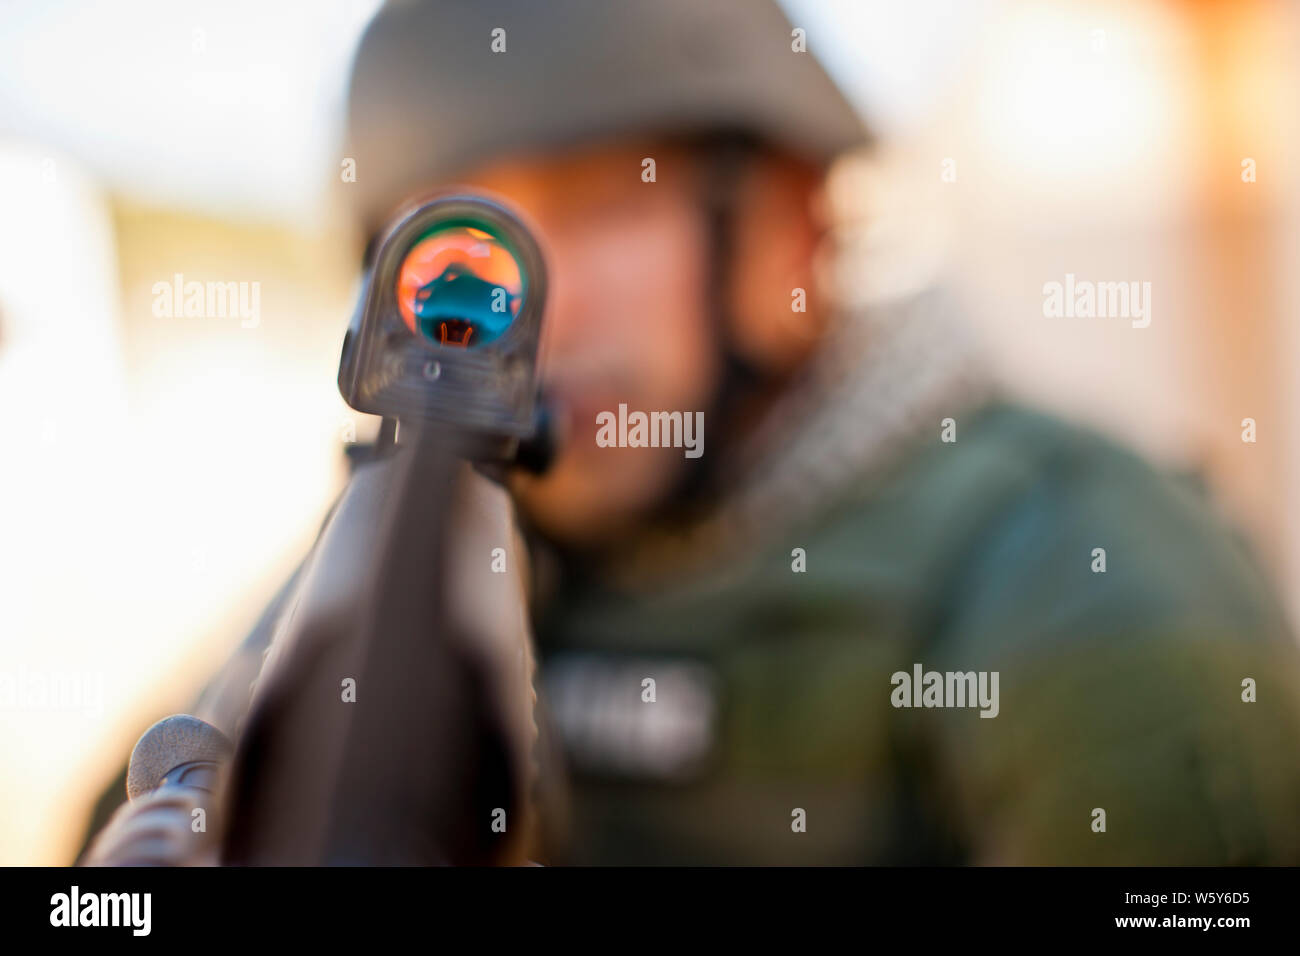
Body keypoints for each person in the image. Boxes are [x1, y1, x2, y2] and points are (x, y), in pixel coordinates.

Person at [83, 0, 1300, 865]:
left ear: (791, 232)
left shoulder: (1078, 567)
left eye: (610, 203)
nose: (532, 304)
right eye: (460, 235)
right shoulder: (454, 532)